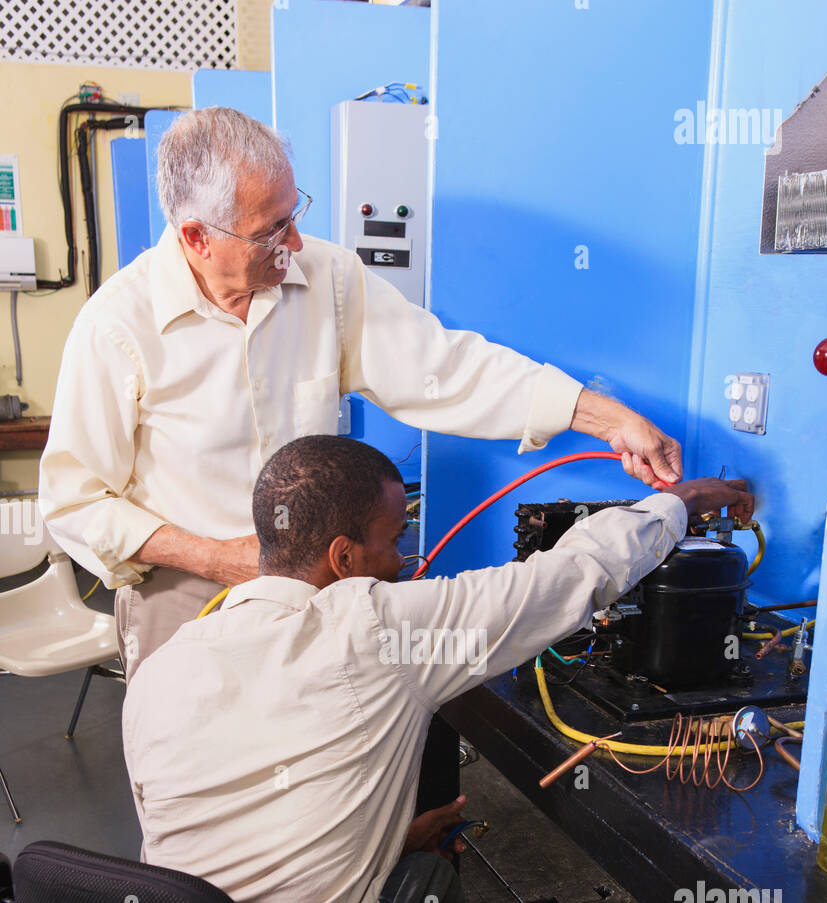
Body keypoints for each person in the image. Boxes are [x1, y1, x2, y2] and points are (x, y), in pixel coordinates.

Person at [40, 105, 684, 683]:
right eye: (270, 230)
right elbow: (75, 502)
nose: (294, 244)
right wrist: (217, 558)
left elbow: (445, 368)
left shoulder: (327, 278)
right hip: (185, 596)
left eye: (295, 215)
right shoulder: (116, 327)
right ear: (196, 237)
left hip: (316, 590)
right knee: (198, 768)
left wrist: (602, 417)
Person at [122, 434, 754, 903]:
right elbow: (567, 577)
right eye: (394, 539)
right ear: (343, 557)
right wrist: (682, 502)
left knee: (407, 859)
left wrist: (385, 842)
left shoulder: (163, 665)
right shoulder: (373, 629)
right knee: (429, 883)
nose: (402, 560)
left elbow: (222, 826)